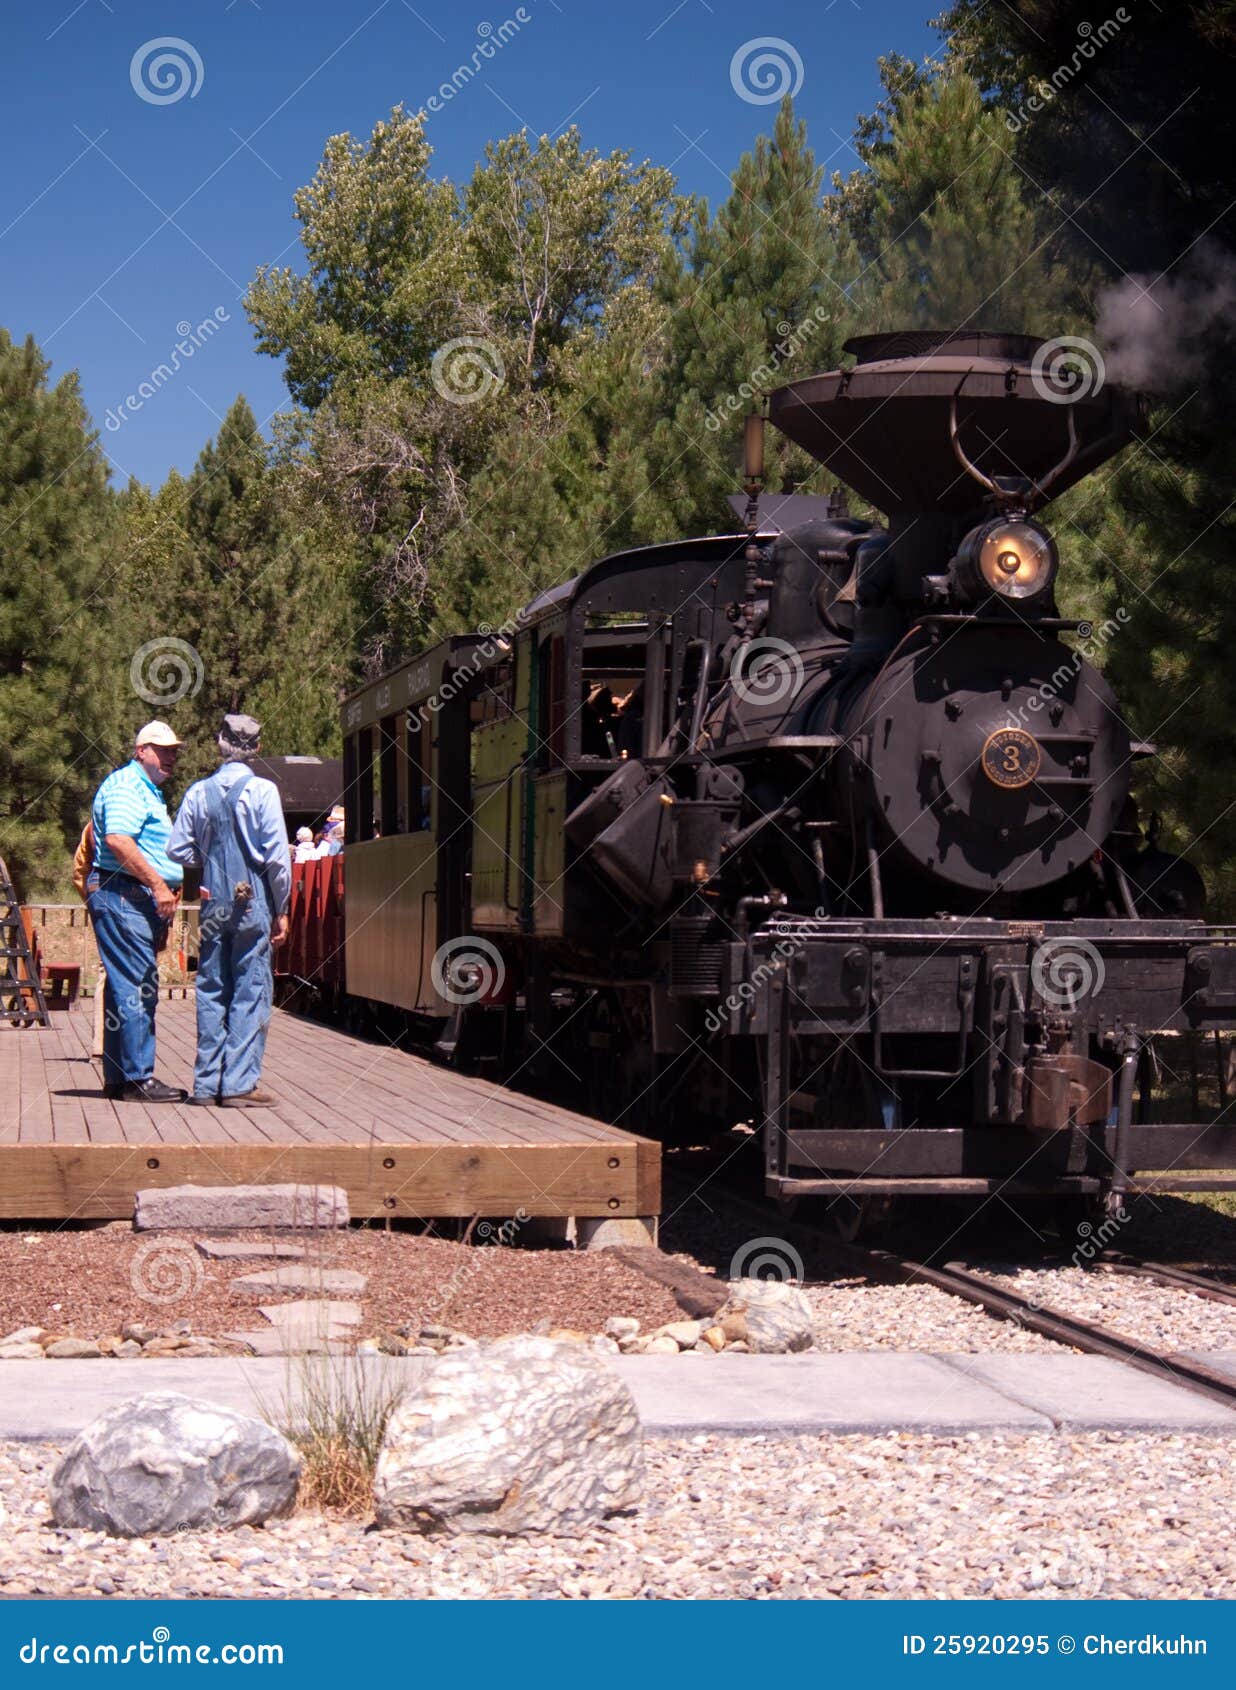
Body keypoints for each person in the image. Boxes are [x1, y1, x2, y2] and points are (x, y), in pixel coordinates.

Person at [168, 713, 292, 1107]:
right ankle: (238, 1083)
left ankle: (206, 1084)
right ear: (256, 748)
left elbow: (176, 849)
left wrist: (206, 860)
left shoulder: (197, 792)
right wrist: (282, 907)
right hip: (251, 901)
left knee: (211, 988)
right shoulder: (263, 791)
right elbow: (277, 859)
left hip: (212, 901)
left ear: (220, 744)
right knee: (249, 988)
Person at [86, 721, 187, 1102]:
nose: (171, 757)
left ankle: (120, 1078)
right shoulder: (128, 786)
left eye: (174, 751)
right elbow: (117, 839)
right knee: (137, 987)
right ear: (141, 750)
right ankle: (136, 1078)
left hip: (127, 894)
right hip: (123, 893)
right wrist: (159, 886)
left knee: (123, 989)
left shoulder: (143, 789)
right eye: (163, 750)